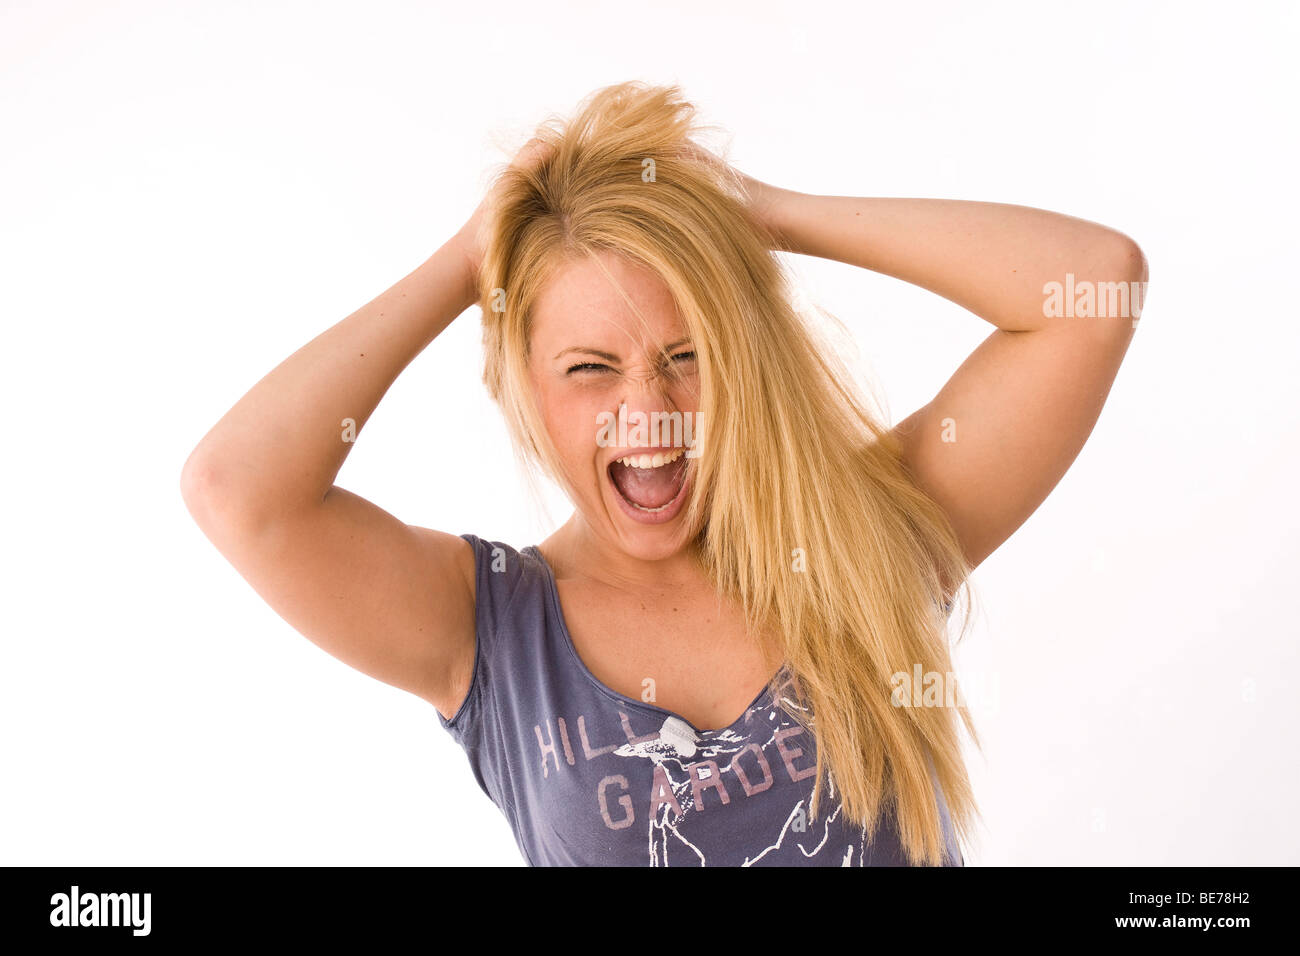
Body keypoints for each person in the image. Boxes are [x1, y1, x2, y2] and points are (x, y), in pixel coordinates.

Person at [180, 81, 1147, 866]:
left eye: (687, 357)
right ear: (521, 385)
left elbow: (1091, 291)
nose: (646, 414)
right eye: (589, 369)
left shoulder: (866, 538)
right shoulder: (486, 629)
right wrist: (472, 256)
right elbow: (235, 487)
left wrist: (761, 217)